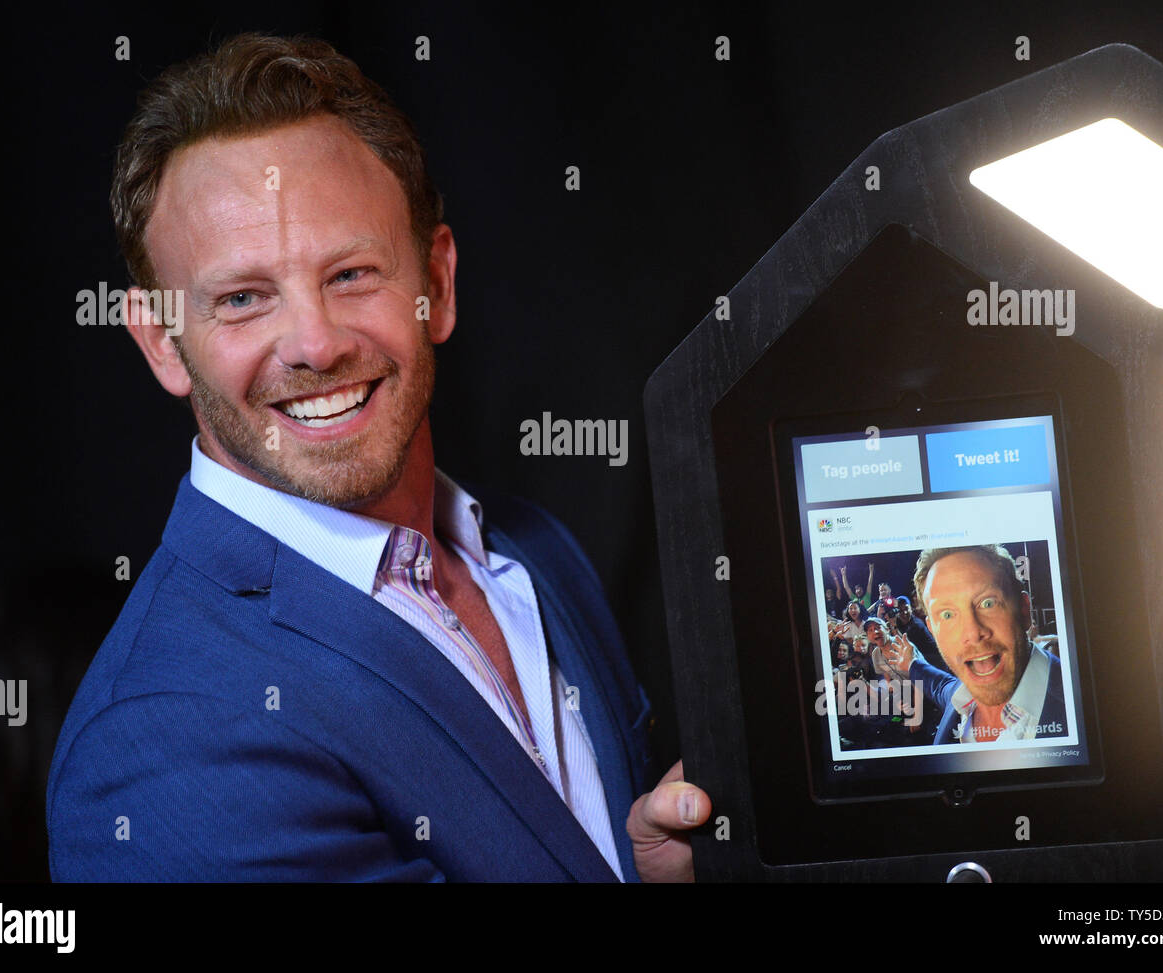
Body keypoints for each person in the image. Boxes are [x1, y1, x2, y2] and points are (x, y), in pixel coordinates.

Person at [46, 33, 709, 882]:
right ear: (161, 342)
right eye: (243, 299)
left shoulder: (532, 550)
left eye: (353, 273)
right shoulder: (161, 738)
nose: (316, 343)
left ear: (437, 280)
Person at [883, 545, 1067, 745]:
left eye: (988, 603)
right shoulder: (957, 694)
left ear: (1023, 610)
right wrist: (911, 663)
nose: (972, 633)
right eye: (947, 615)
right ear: (933, 631)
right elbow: (938, 684)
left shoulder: (1081, 702)